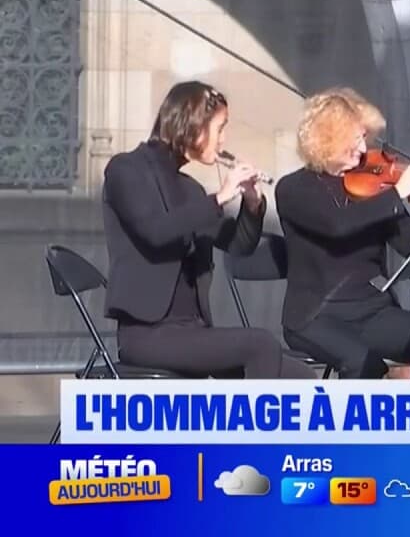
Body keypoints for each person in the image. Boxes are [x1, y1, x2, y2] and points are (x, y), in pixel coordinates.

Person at [274, 88, 410, 379]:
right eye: (354, 139)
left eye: (364, 139)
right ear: (328, 138)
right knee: (363, 361)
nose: (362, 149)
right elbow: (338, 226)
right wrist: (398, 193)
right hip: (315, 315)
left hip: (368, 309)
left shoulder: (372, 188)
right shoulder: (294, 189)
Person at [102, 81, 314, 379]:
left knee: (301, 377)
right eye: (220, 128)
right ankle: (256, 413)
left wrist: (252, 204)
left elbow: (238, 245)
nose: (223, 140)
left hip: (193, 330)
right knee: (261, 345)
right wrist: (219, 197)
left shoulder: (190, 189)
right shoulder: (125, 169)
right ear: (194, 126)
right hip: (147, 334)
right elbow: (155, 232)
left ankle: (250, 409)